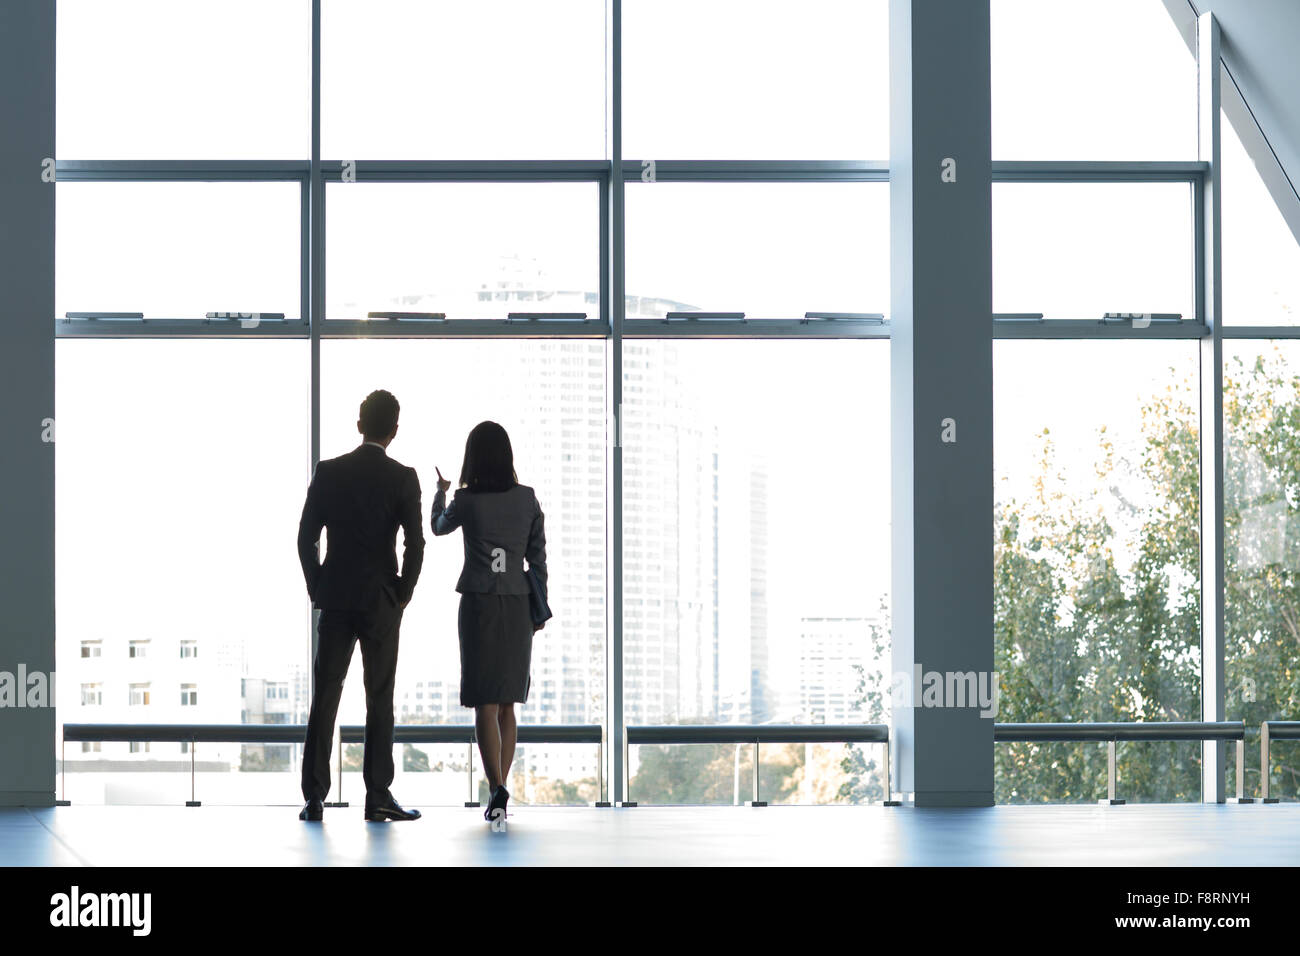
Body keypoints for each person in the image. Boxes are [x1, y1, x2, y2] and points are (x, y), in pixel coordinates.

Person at [296, 389, 425, 823]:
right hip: (381, 600)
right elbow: (415, 543)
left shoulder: (329, 472)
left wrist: (318, 586)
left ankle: (315, 798)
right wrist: (403, 592)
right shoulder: (403, 477)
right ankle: (378, 796)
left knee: (326, 695)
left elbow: (306, 538)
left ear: (359, 425)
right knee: (379, 697)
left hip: (336, 597)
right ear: (394, 430)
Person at [431, 421, 547, 823]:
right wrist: (538, 607)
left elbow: (438, 527)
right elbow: (538, 559)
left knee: (484, 700)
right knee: (508, 702)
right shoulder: (527, 499)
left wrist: (441, 492)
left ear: (473, 458)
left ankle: (496, 786)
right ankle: (501, 787)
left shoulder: (466, 500)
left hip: (479, 603)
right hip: (517, 604)